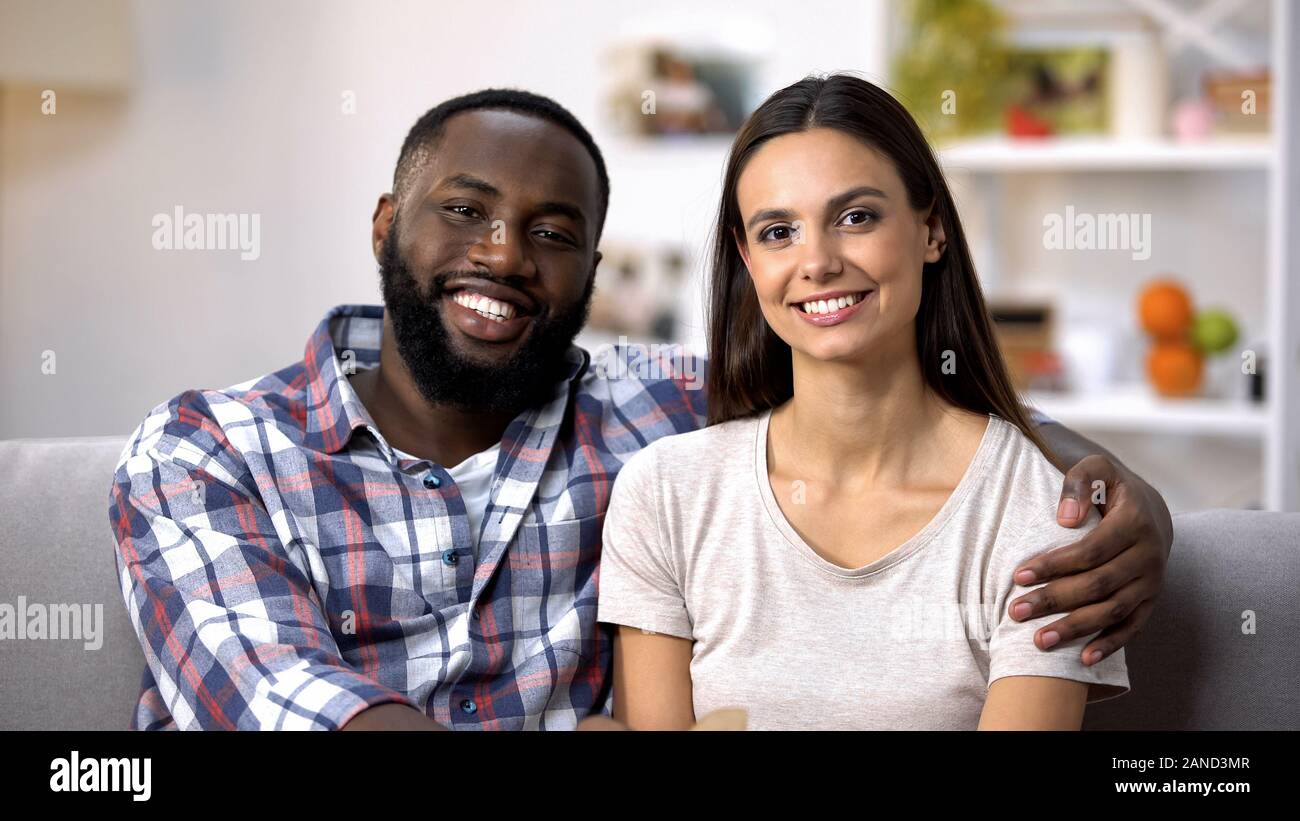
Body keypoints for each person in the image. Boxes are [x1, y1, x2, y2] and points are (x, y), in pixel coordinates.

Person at [109, 87, 1170, 731]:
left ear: (591, 269)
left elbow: (866, 377)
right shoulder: (209, 449)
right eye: (464, 210)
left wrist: (1123, 494)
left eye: (552, 231)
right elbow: (290, 705)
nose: (502, 254)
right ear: (387, 224)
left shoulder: (641, 409)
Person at [597, 74, 1140, 730]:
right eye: (778, 232)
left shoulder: (1036, 509)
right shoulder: (665, 494)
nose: (818, 261)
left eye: (855, 217)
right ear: (747, 257)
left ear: (931, 230)